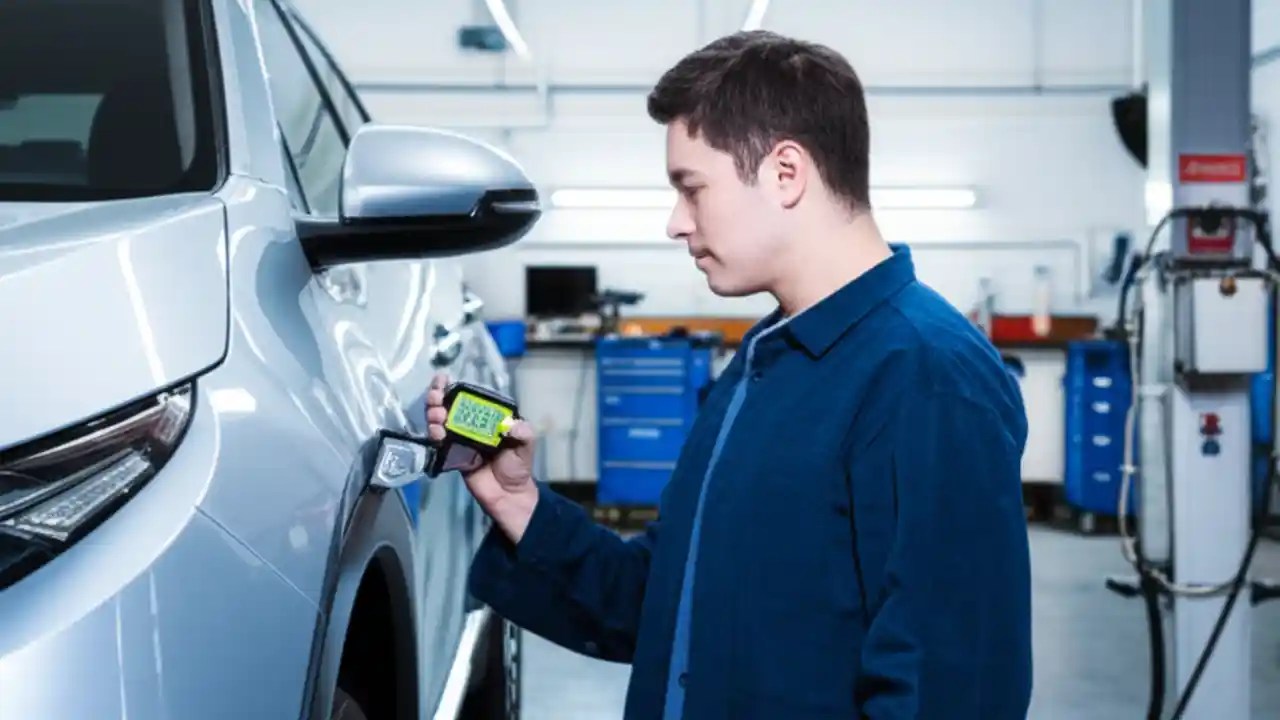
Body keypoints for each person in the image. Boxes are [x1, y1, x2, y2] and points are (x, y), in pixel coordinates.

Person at [427, 30, 1033, 720]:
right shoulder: (765, 359)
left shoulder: (929, 376)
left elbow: (952, 692)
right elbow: (667, 601)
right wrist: (518, 504)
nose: (675, 223)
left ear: (785, 173)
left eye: (692, 188)